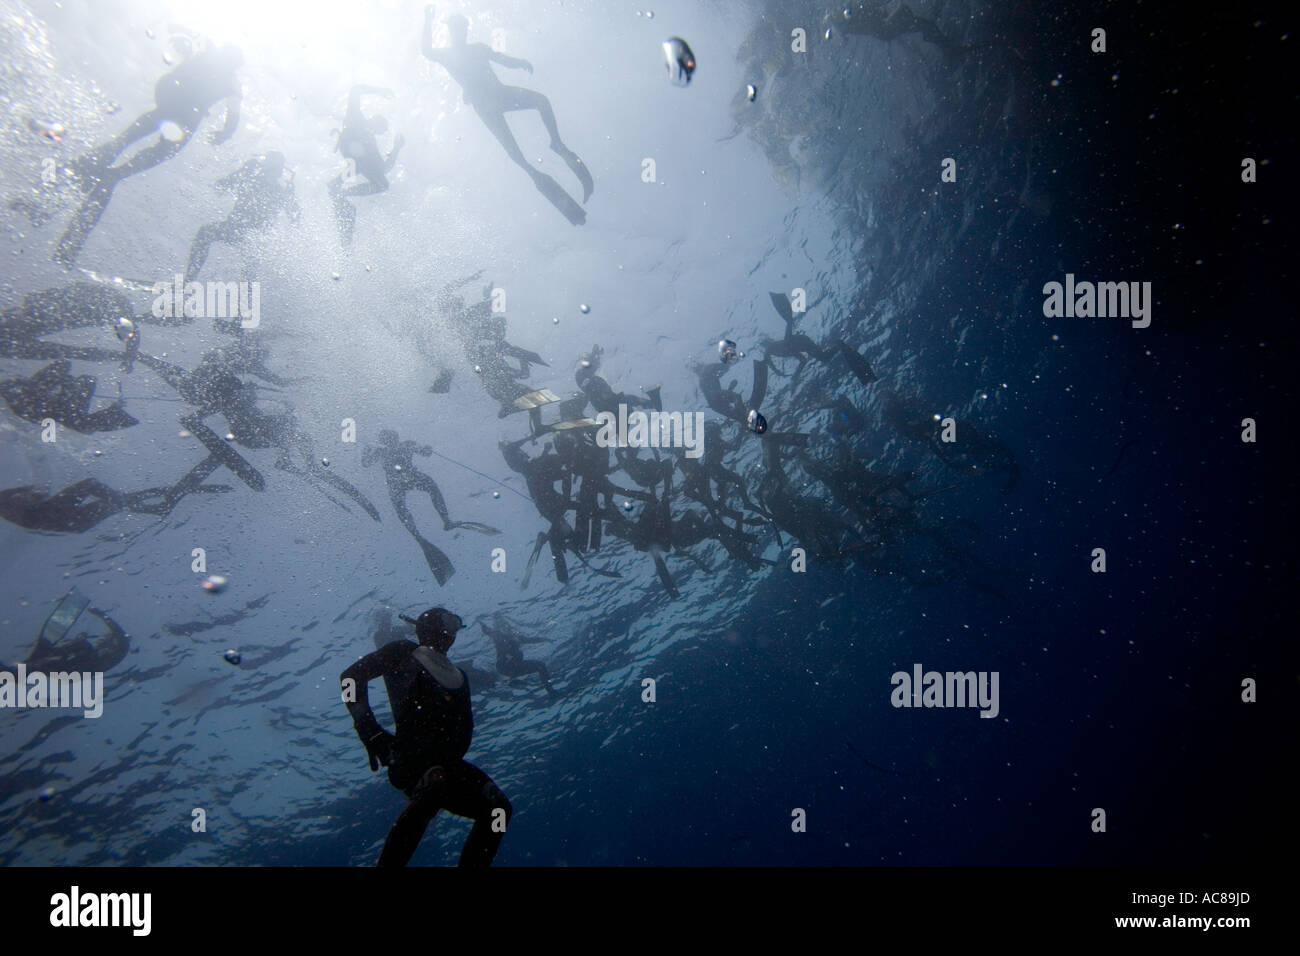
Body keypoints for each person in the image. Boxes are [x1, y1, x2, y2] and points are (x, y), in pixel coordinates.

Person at [340, 607, 512, 867]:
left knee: (499, 810)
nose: (452, 629)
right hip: (411, 761)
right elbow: (350, 678)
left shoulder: (460, 676)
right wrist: (369, 732)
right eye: (447, 621)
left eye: (456, 623)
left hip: (449, 766)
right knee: (435, 783)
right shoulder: (402, 652)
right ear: (427, 625)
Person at [55, 44, 244, 265]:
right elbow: (233, 117)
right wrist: (223, 134)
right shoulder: (231, 82)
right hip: (181, 129)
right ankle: (69, 239)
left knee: (116, 146)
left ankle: (57, 185)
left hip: (162, 111)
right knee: (115, 173)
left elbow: (175, 61)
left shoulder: (205, 56)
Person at [421, 6, 592, 225]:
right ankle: (534, 174)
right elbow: (426, 51)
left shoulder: (478, 49)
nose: (460, 33)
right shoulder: (447, 54)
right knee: (516, 154)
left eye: (463, 29)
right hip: (486, 107)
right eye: (457, 29)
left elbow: (501, 58)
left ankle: (557, 144)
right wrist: (427, 19)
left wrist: (520, 63)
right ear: (451, 31)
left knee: (542, 101)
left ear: (465, 30)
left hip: (500, 95)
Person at [362, 429, 499, 585]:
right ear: (384, 440)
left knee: (429, 487)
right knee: (406, 503)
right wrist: (367, 450)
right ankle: (425, 530)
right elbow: (365, 463)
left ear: (395, 438)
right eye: (387, 439)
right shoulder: (382, 450)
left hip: (408, 476)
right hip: (398, 482)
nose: (390, 441)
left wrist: (427, 449)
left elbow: (424, 452)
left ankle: (444, 521)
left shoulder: (404, 445)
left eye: (391, 438)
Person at [186, 151, 301, 281]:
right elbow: (221, 185)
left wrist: (290, 196)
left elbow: (295, 219)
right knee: (206, 233)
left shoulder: (280, 190)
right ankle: (189, 280)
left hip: (254, 238)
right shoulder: (251, 176)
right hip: (237, 229)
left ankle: (189, 280)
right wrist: (242, 171)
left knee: (248, 269)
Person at [328, 85, 405, 244]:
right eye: (381, 127)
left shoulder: (371, 144)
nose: (379, 131)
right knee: (363, 169)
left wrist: (396, 148)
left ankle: (342, 191)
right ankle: (339, 188)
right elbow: (355, 89)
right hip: (351, 150)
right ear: (375, 120)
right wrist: (379, 90)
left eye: (381, 131)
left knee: (383, 184)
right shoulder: (356, 118)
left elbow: (383, 169)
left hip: (357, 161)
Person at [480, 614, 557, 697]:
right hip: (504, 667)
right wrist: (480, 621)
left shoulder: (516, 637)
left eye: (507, 626)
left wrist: (545, 639)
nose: (507, 628)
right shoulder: (498, 636)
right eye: (503, 626)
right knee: (537, 664)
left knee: (540, 665)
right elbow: (486, 630)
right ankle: (512, 680)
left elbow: (532, 640)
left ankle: (550, 691)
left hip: (515, 666)